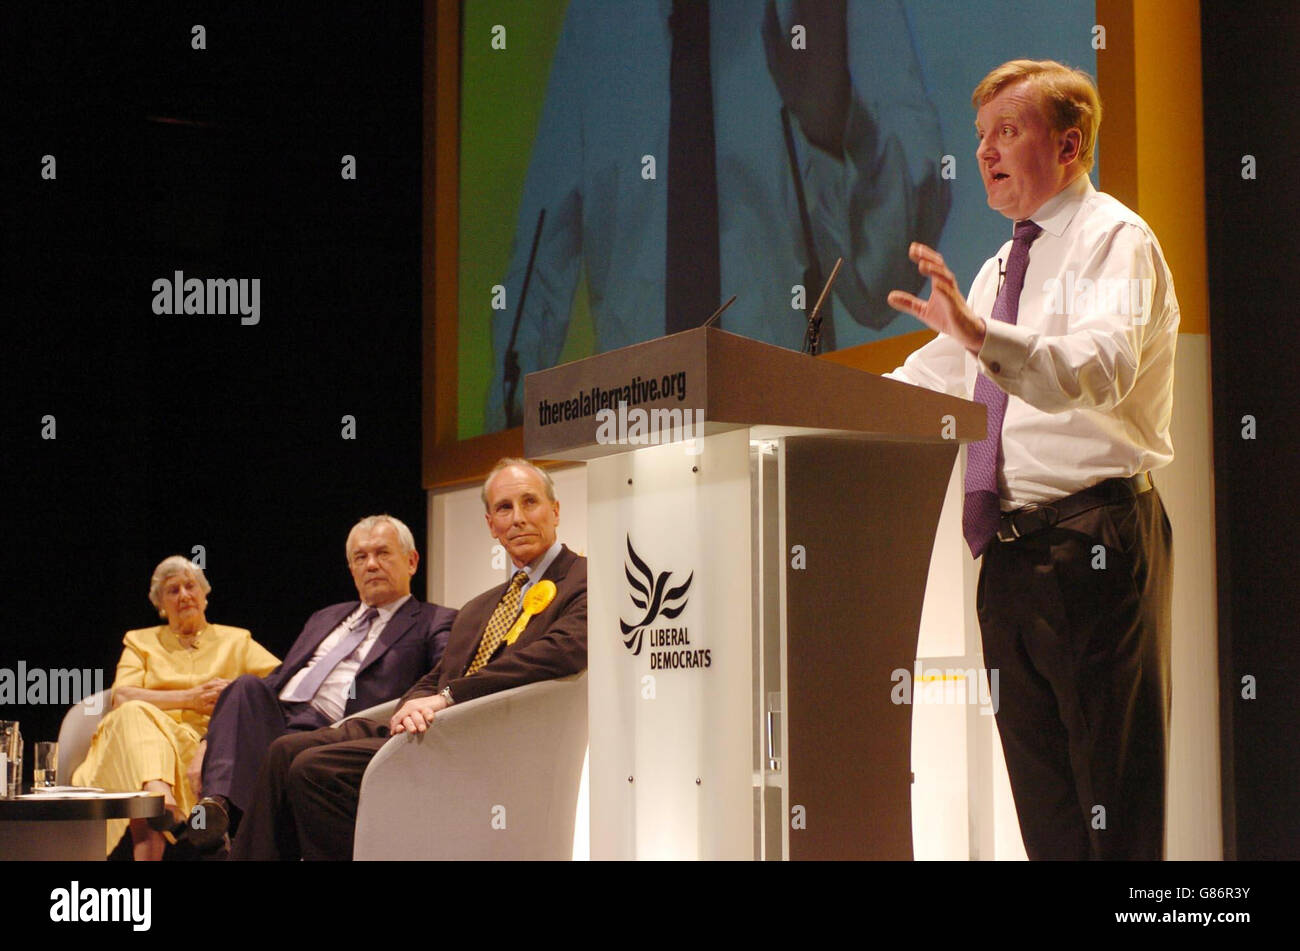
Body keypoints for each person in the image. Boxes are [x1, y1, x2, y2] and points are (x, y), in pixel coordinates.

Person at [884, 59, 1178, 860]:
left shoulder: (1117, 240)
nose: (985, 152)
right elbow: (926, 384)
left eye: (1007, 131)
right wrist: (800, 401)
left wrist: (979, 337)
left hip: (1096, 542)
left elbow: (1100, 367)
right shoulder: (996, 268)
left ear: (1072, 142)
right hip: (1009, 560)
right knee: (1046, 816)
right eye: (981, 136)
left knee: (1112, 807)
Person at [485, 0, 949, 429]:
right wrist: (503, 442)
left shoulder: (826, 9)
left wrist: (835, 125)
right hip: (627, 434)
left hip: (780, 426)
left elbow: (883, 288)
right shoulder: (598, 21)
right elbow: (539, 263)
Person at [232, 459, 587, 860]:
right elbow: (438, 674)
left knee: (316, 771)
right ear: (492, 525)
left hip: (489, 742)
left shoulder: (584, 578)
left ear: (555, 510)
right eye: (505, 508)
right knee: (284, 752)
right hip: (431, 729)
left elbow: (559, 650)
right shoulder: (481, 606)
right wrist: (409, 709)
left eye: (530, 502)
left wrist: (448, 697)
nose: (519, 518)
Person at [190, 515, 455, 850]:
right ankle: (217, 809)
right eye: (360, 557)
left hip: (341, 730)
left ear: (412, 561)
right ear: (351, 568)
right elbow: (279, 680)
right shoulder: (326, 617)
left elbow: (442, 680)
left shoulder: (435, 621)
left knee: (283, 751)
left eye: (382, 553)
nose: (371, 564)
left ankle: (226, 842)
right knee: (244, 686)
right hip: (281, 718)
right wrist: (207, 742)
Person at [71, 556, 280, 860]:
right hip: (139, 748)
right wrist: (191, 698)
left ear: (204, 595)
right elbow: (122, 697)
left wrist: (235, 695)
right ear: (160, 604)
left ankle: (161, 807)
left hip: (199, 753)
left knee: (146, 773)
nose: (183, 595)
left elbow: (279, 684)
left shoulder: (237, 641)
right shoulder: (140, 642)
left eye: (190, 586)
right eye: (172, 590)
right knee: (134, 720)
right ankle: (164, 803)